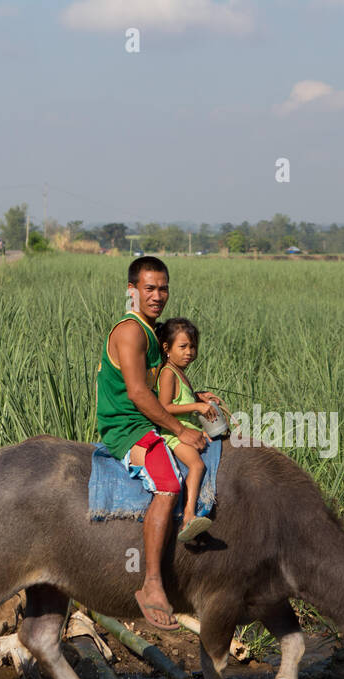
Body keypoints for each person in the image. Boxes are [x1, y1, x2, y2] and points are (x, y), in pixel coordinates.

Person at [95, 257, 218, 631]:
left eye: (163, 288)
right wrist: (180, 431)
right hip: (126, 426)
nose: (157, 296)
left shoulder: (151, 331)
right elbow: (137, 393)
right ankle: (150, 584)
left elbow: (158, 385)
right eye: (149, 288)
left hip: (145, 418)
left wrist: (196, 395)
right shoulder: (131, 332)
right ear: (132, 291)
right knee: (167, 483)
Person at [155, 317, 219, 543]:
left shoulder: (180, 372)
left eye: (192, 346)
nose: (189, 351)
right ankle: (189, 515)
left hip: (187, 428)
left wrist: (200, 396)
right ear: (167, 348)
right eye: (183, 346)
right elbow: (164, 407)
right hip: (174, 433)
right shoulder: (168, 372)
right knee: (196, 464)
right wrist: (196, 405)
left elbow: (180, 397)